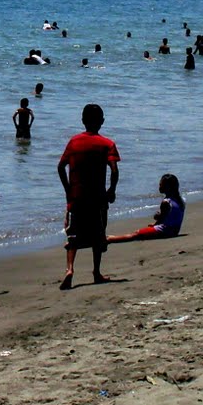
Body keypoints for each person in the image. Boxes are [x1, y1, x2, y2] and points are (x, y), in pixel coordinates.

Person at [57, 103, 119, 289]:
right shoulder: (107, 144)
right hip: (98, 197)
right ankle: (96, 272)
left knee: (73, 235)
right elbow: (114, 170)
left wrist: (68, 190)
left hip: (77, 196)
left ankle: (70, 270)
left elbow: (60, 167)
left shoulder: (74, 142)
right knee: (98, 235)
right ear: (102, 121)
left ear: (82, 120)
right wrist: (112, 189)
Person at [108, 174, 185, 243]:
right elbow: (170, 217)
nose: (159, 186)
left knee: (136, 234)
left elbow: (161, 218)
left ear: (168, 187)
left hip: (165, 231)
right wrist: (156, 223)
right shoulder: (180, 200)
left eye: (161, 184)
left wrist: (156, 217)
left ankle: (110, 239)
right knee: (142, 232)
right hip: (174, 231)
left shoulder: (166, 202)